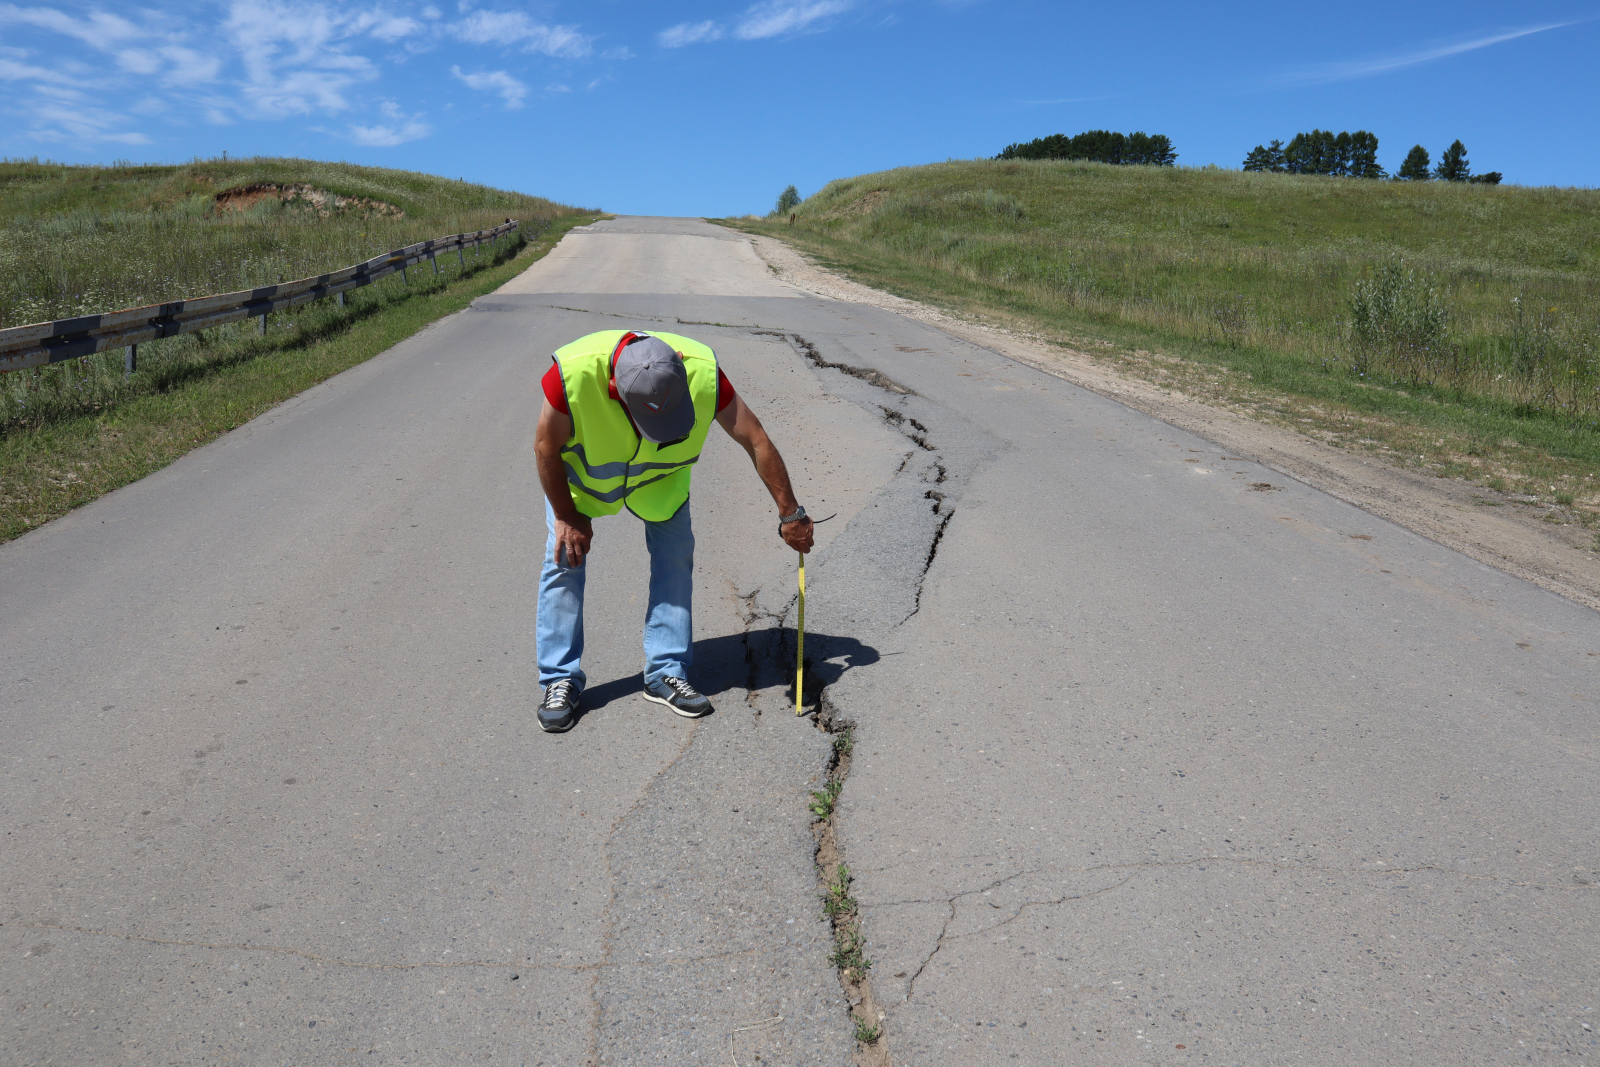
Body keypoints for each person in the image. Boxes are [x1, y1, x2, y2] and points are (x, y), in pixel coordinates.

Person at [532, 329, 815, 733]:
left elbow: (755, 439)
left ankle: (665, 671)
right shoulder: (572, 377)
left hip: (661, 486)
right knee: (564, 560)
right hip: (581, 487)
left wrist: (790, 513)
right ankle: (559, 679)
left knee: (675, 557)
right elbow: (545, 445)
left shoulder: (703, 373)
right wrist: (565, 515)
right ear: (614, 389)